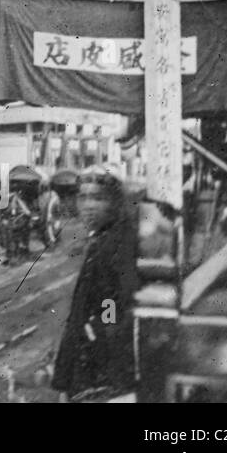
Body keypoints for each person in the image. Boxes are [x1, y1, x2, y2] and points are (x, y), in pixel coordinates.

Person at [51, 166, 137, 402]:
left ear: (115, 202)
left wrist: (101, 324)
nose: (88, 206)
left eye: (98, 198)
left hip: (98, 360)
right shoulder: (104, 238)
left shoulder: (116, 243)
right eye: (83, 197)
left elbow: (112, 298)